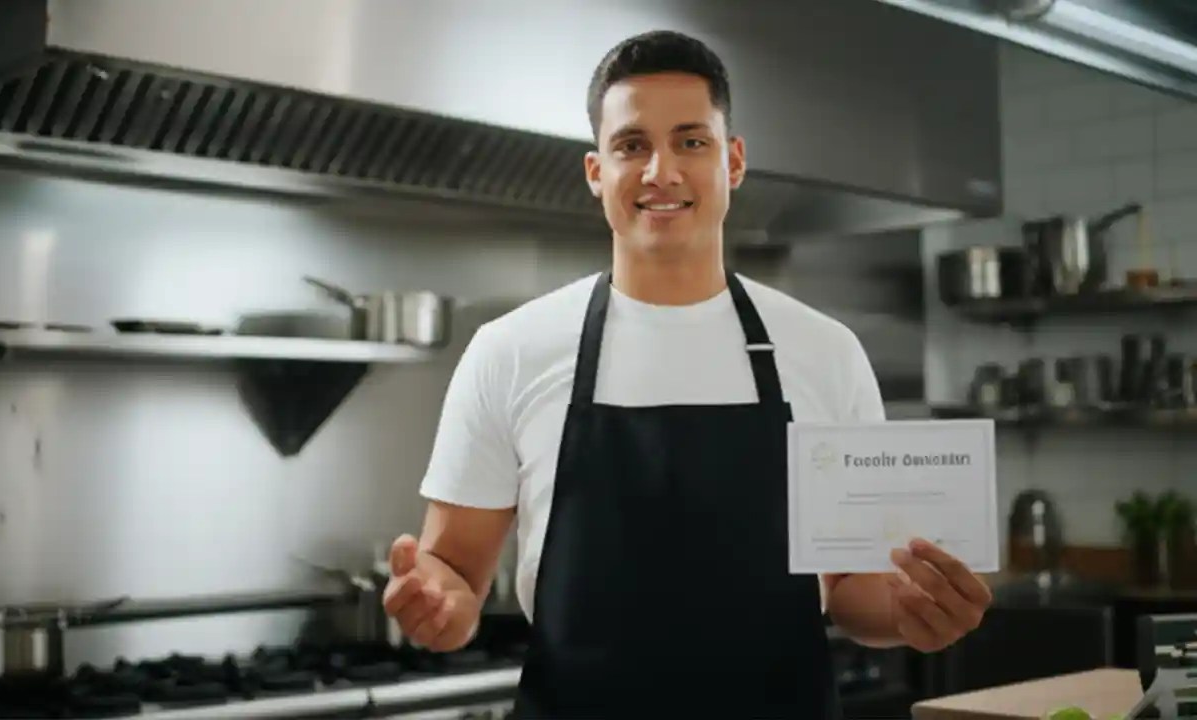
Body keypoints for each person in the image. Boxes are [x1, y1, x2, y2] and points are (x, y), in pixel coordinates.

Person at [382, 29, 992, 718]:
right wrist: (438, 604)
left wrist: (916, 611)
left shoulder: (826, 352)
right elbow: (456, 574)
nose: (660, 171)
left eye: (691, 141)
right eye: (632, 145)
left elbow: (854, 585)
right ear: (595, 172)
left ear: (732, 162)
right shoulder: (510, 351)